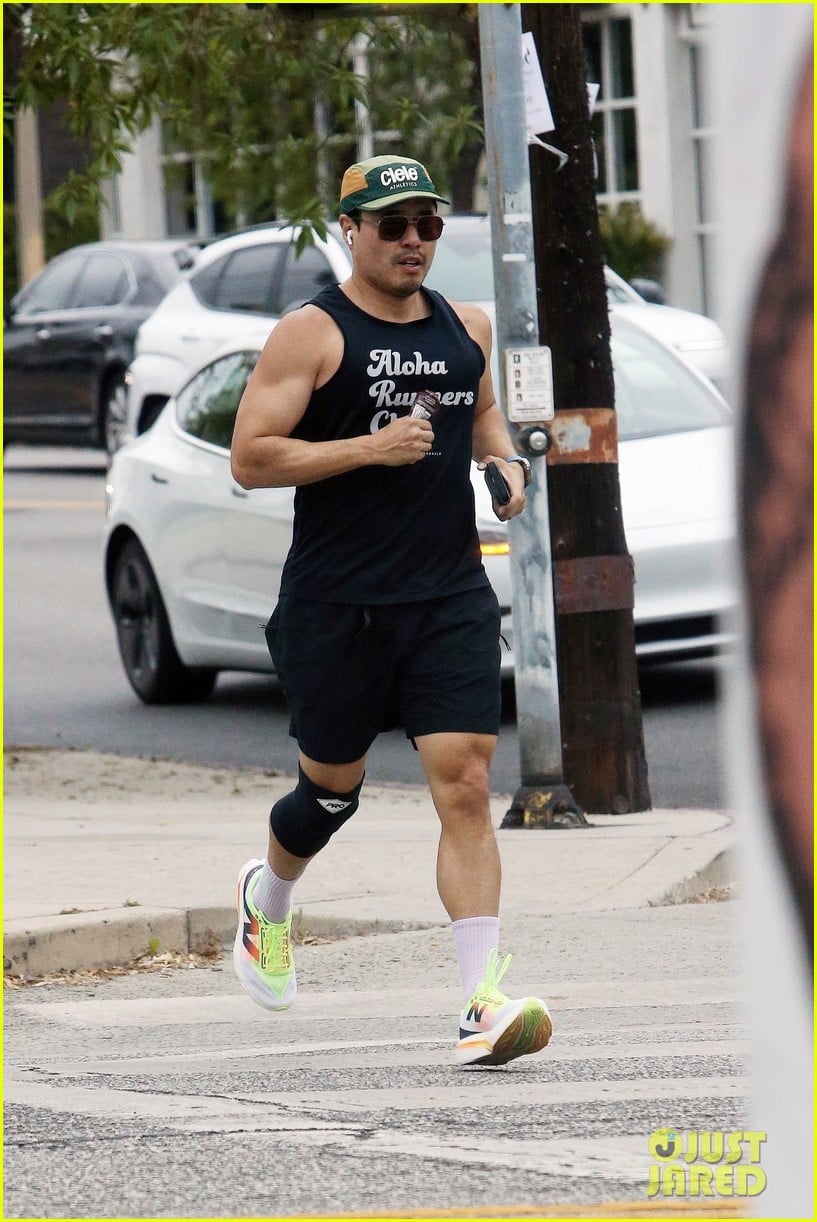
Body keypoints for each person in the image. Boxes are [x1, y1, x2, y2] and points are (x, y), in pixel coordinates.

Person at [229, 154, 552, 1067]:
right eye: (392, 224)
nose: (413, 240)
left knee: (464, 781)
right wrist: (366, 450)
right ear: (351, 231)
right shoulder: (311, 333)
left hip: (446, 591)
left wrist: (503, 466)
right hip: (337, 600)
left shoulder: (466, 325)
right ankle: (270, 899)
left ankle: (479, 1005)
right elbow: (251, 458)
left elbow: (480, 414)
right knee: (330, 795)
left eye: (427, 224)